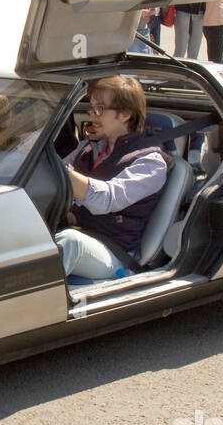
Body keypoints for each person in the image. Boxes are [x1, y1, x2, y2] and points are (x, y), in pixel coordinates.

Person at [54, 77, 169, 279]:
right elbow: (54, 179)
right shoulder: (88, 149)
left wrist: (58, 168)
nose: (92, 115)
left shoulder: (151, 162)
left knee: (70, 243)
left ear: (125, 114)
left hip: (116, 253)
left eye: (99, 109)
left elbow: (106, 200)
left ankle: (26, 308)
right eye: (91, 108)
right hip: (83, 233)